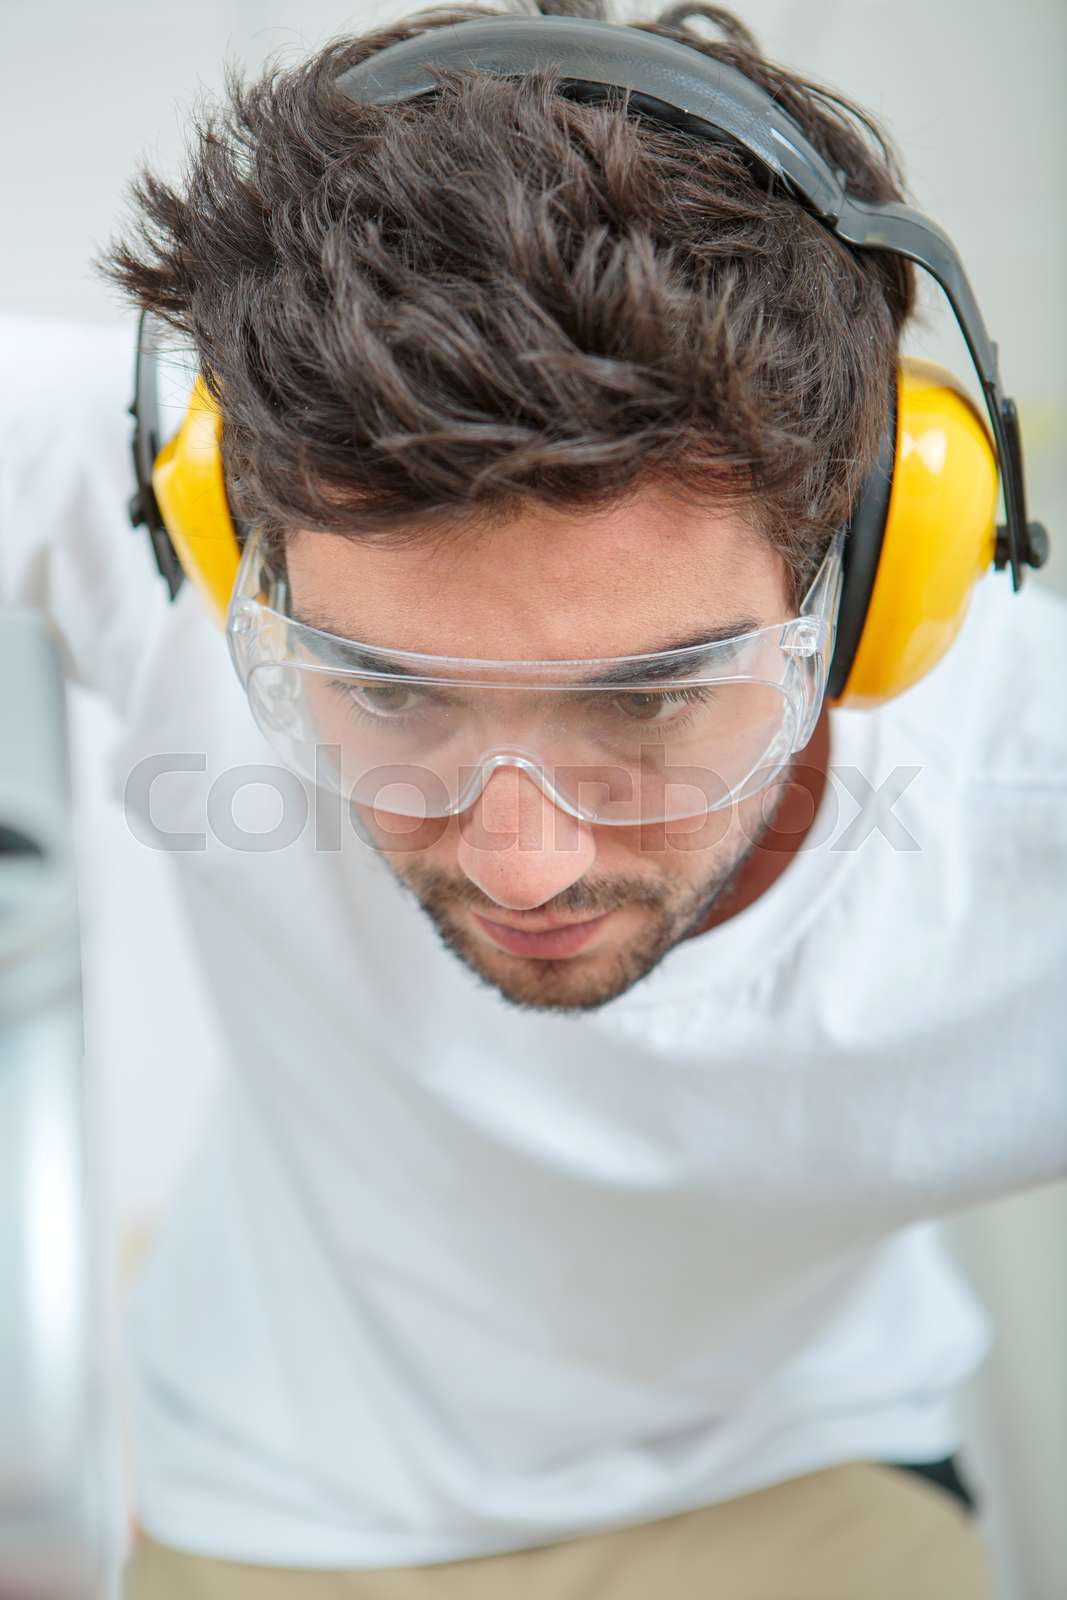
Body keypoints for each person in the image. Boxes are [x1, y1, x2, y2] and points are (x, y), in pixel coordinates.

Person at [2, 2, 1064, 1595]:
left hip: (803, 1469)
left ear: (867, 595)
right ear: (227, 544)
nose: (523, 862)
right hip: (280, 1493)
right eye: (392, 691)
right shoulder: (185, 530)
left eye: (648, 700)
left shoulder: (1027, 834)